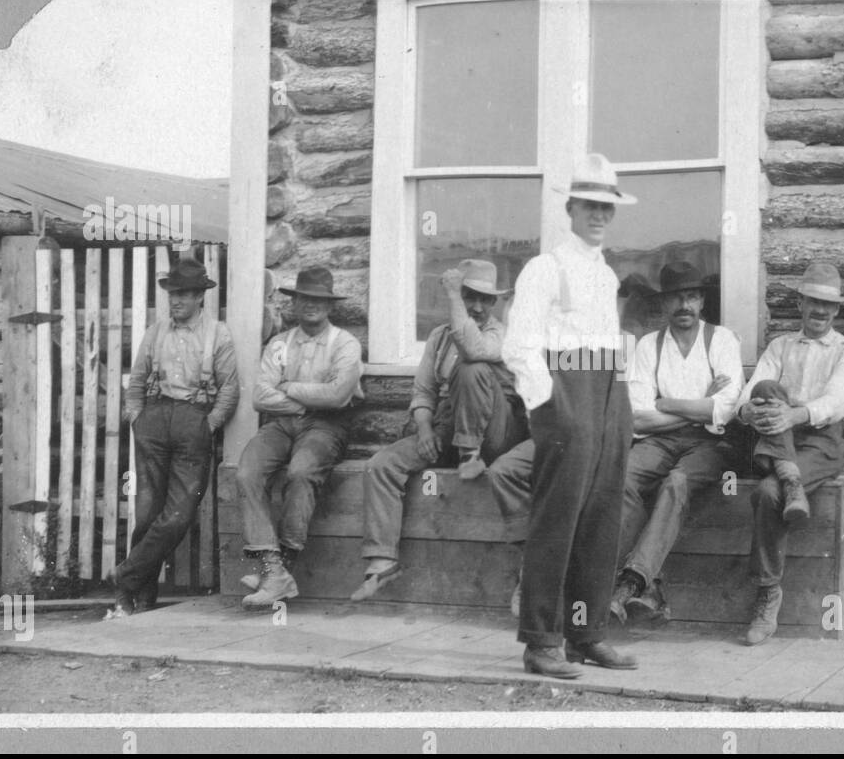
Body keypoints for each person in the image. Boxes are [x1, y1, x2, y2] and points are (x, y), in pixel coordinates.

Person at [500, 153, 638, 679]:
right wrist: (553, 409)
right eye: (589, 206)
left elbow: (609, 346)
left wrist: (620, 404)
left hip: (608, 395)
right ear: (571, 208)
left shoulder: (605, 273)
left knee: (602, 520)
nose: (599, 215)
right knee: (556, 521)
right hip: (566, 397)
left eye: (607, 207)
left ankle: (585, 633)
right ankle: (540, 641)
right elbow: (519, 346)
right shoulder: (546, 268)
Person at [353, 259, 527, 600]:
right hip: (451, 424)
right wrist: (425, 429)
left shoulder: (502, 334)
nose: (476, 307)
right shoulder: (438, 337)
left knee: (471, 368)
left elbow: (473, 348)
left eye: (484, 300)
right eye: (468, 297)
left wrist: (451, 297)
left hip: (498, 431)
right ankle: (382, 560)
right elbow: (423, 391)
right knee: (381, 465)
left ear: (494, 304)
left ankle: (470, 454)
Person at [736, 262, 844, 645]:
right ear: (800, 303)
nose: (820, 311)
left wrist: (794, 414)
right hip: (777, 439)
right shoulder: (780, 346)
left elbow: (838, 402)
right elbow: (749, 395)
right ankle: (790, 478)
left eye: (828, 305)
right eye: (813, 302)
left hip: (821, 443)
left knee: (766, 492)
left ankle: (768, 590)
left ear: (838, 310)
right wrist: (750, 411)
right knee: (769, 388)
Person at [609, 261, 743, 624]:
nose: (685, 305)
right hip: (658, 441)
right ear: (664, 303)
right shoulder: (649, 346)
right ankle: (650, 588)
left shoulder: (722, 340)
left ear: (702, 301)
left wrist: (665, 403)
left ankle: (632, 583)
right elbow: (637, 415)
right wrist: (699, 405)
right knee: (621, 478)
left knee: (676, 483)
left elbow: (727, 409)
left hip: (709, 445)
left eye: (692, 297)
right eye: (676, 298)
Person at [110, 258, 238, 618]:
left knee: (179, 515)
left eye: (184, 293)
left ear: (201, 297)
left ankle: (125, 577)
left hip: (193, 421)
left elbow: (229, 388)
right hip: (154, 419)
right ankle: (140, 596)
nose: (176, 300)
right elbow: (136, 381)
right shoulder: (156, 331)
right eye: (172, 293)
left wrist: (208, 425)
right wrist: (137, 417)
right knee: (148, 512)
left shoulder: (218, 334)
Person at [235, 266, 364, 610]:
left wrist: (289, 388)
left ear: (330, 306)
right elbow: (260, 396)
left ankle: (281, 568)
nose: (311, 305)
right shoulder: (280, 344)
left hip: (326, 426)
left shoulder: (345, 344)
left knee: (301, 470)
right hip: (282, 424)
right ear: (295, 302)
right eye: (305, 298)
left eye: (319, 300)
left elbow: (337, 396)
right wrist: (306, 400)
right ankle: (272, 567)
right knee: (248, 469)